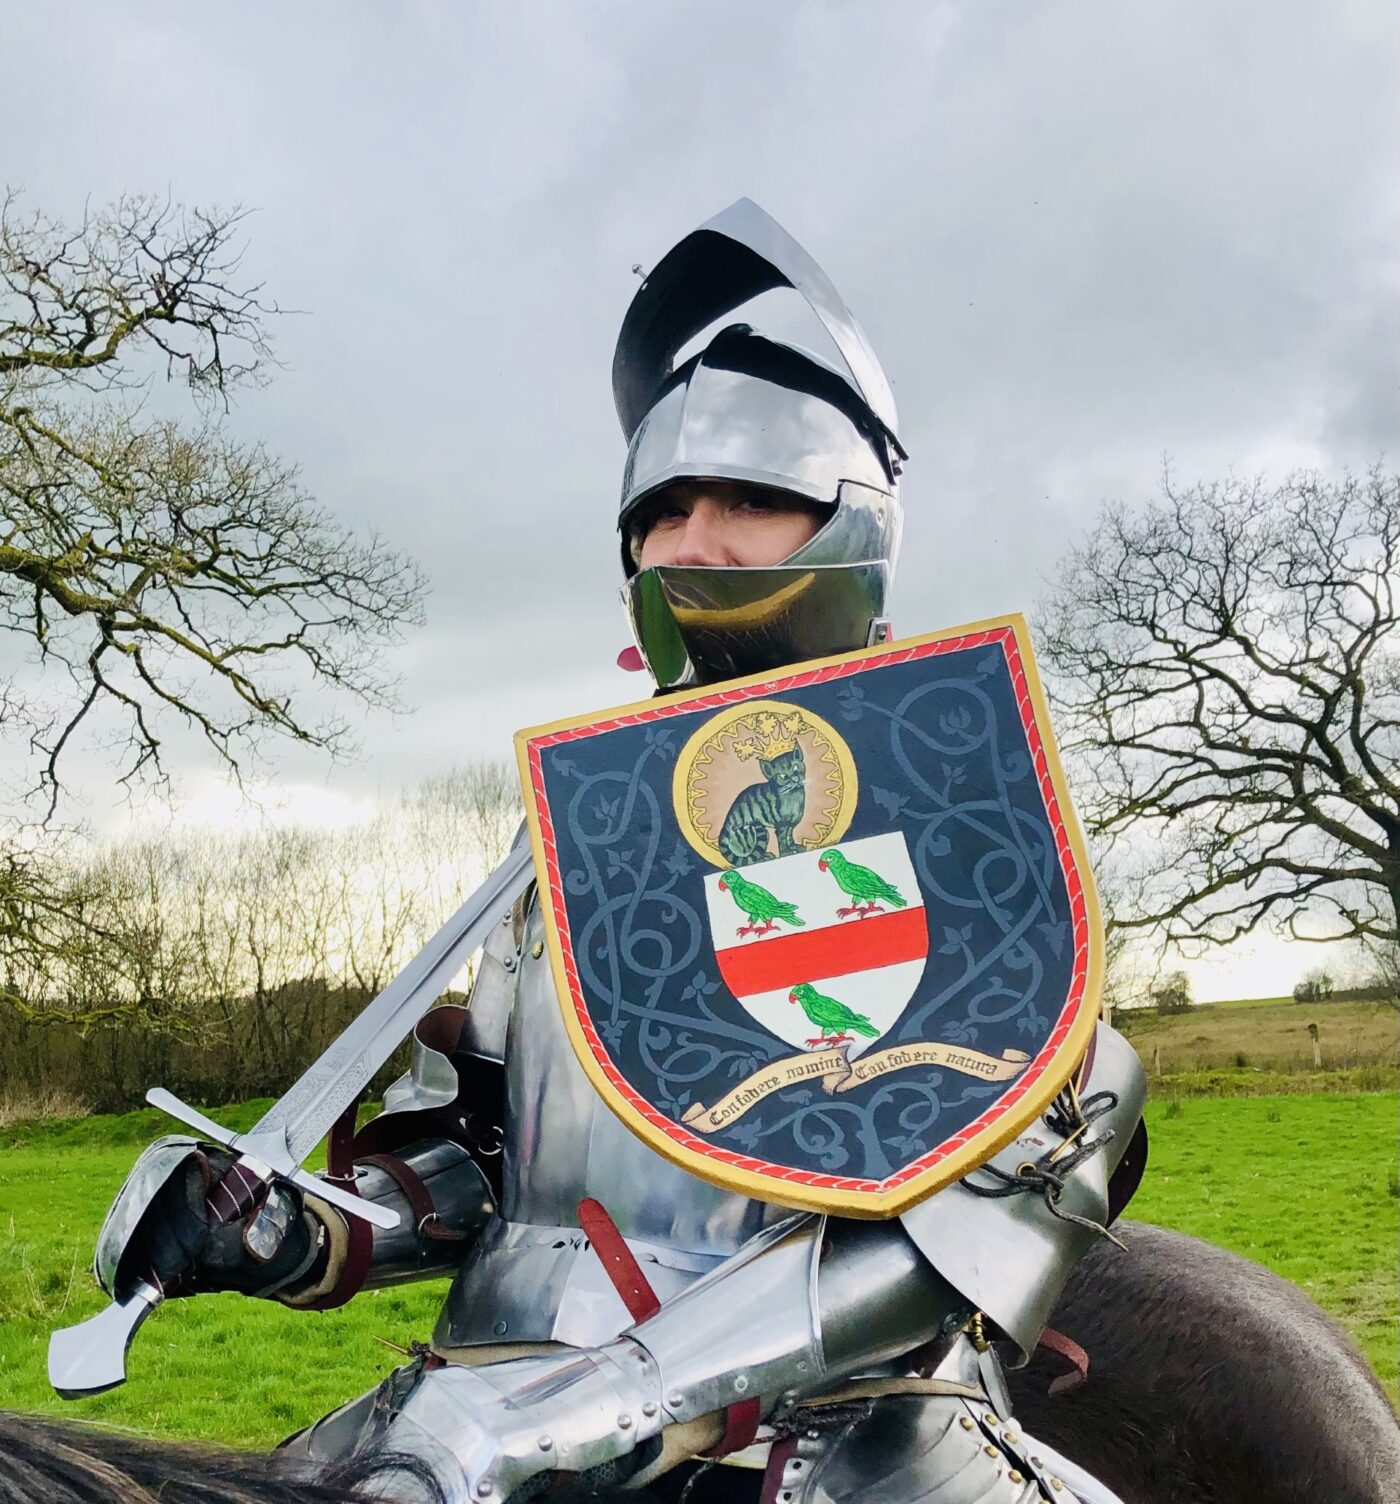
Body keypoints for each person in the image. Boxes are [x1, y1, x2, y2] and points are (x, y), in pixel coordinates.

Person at [94, 201, 1147, 1504]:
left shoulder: (965, 806)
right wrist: (287, 1229)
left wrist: (600, 1401)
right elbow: (499, 1156)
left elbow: (977, 1222)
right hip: (490, 1393)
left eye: (756, 501)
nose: (693, 546)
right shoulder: (577, 827)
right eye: (661, 511)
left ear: (857, 521)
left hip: (845, 1435)